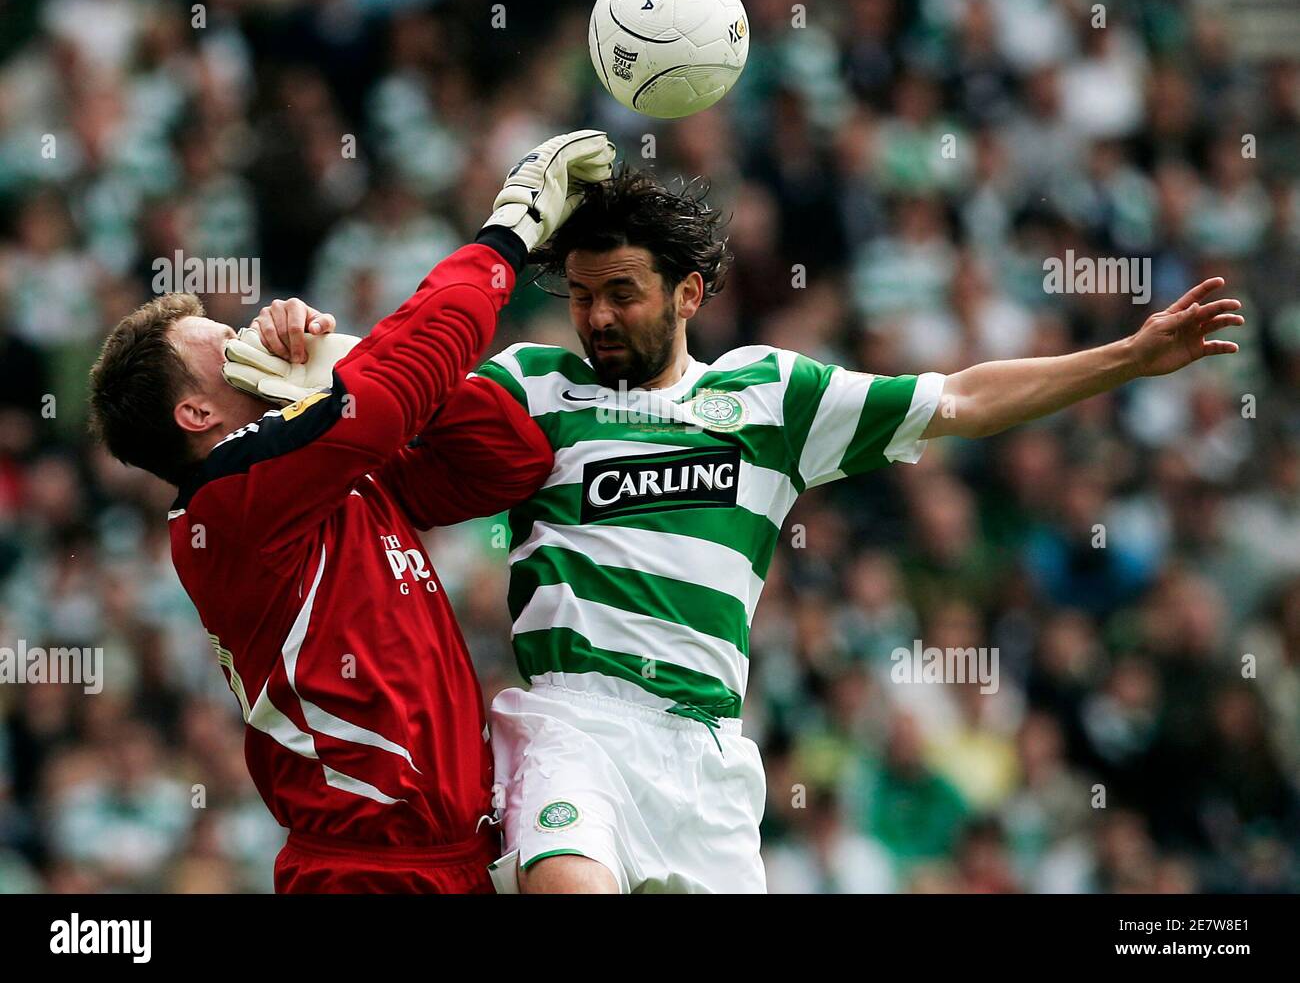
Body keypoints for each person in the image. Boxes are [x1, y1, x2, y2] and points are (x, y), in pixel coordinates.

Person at [469, 166, 1244, 894]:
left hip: (702, 756)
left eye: (620, 292)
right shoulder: (536, 382)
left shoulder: (769, 395)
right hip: (575, 721)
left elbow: (963, 400)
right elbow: (403, 394)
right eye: (580, 295)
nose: (597, 316)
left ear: (688, 294)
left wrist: (1128, 358)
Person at [85, 130, 615, 893]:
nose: (247, 345)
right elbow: (392, 394)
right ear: (197, 411)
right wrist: (505, 238)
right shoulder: (229, 501)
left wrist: (337, 360)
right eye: (226, 347)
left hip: (456, 856)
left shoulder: (320, 479)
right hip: (365, 872)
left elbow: (510, 458)